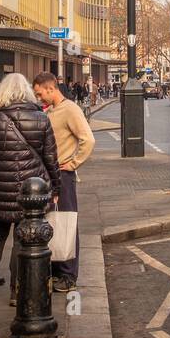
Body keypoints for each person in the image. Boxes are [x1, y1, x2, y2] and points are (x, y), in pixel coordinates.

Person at [0, 73, 60, 302]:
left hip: (0, 189)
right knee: (23, 239)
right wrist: (56, 188)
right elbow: (51, 158)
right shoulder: (41, 119)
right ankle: (16, 290)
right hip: (31, 192)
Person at [33, 71, 95, 293]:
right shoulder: (52, 110)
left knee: (66, 223)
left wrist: (73, 163)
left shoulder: (70, 109)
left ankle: (69, 275)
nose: (39, 98)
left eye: (41, 94)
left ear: (50, 88)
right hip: (50, 175)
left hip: (64, 176)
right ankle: (58, 270)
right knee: (53, 222)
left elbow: (88, 139)